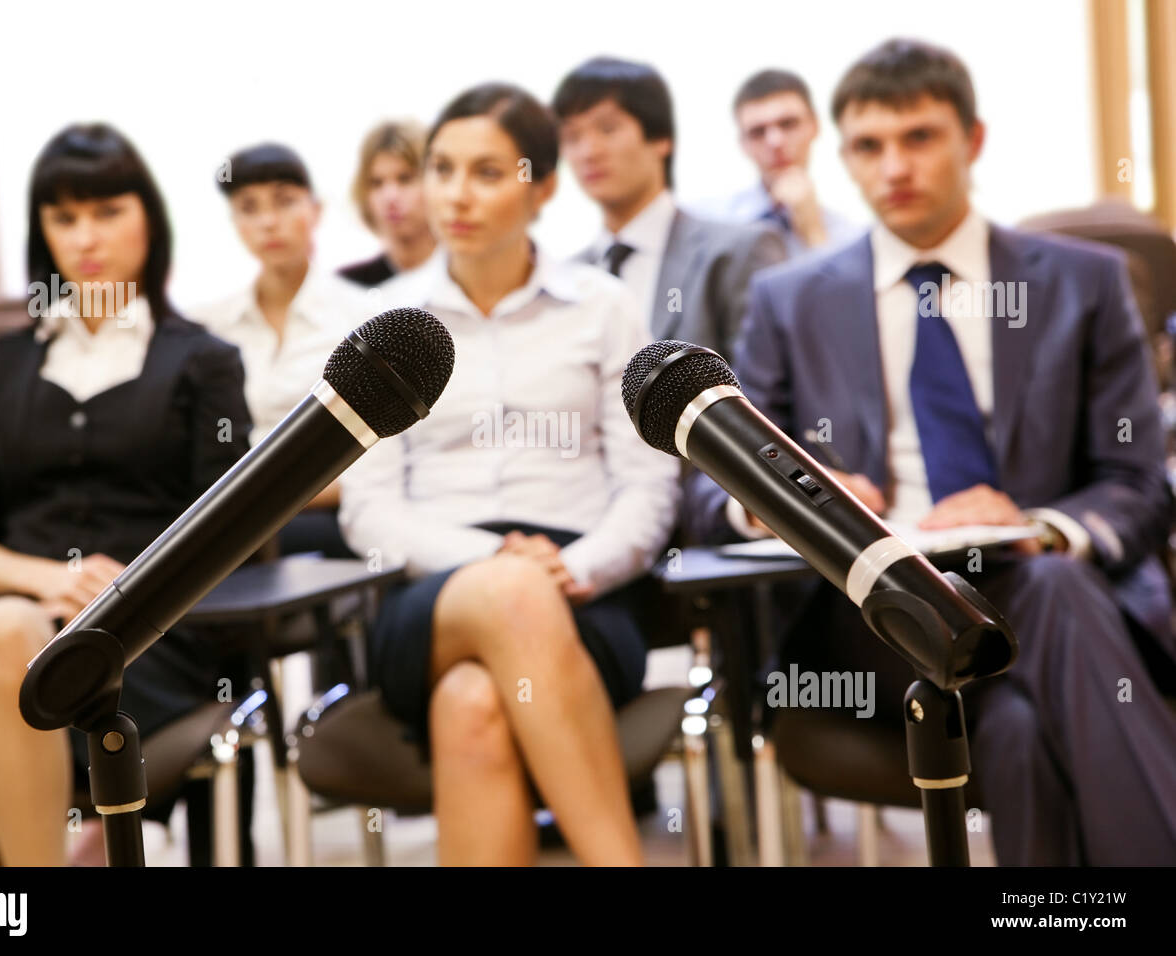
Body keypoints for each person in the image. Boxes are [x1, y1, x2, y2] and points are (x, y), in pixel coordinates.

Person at [688, 38, 1176, 865]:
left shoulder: (1082, 281)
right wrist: (790, 496)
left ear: (972, 141)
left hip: (1043, 587)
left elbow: (1137, 479)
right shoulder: (789, 300)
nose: (894, 167)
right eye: (870, 147)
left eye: (919, 138)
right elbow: (706, 493)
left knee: (1020, 715)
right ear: (844, 156)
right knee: (1042, 627)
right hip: (874, 615)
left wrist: (1042, 525)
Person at [339, 83, 680, 866]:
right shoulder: (385, 322)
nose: (455, 194)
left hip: (583, 593)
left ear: (544, 188)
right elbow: (369, 507)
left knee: (472, 704)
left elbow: (646, 486)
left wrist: (575, 565)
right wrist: (495, 565)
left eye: (488, 172)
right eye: (442, 168)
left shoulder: (605, 308)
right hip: (431, 595)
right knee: (506, 594)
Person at [0, 124, 253, 866]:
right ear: (42, 232)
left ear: (149, 220)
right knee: (3, 638)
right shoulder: (2, 364)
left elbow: (231, 530)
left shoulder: (202, 361)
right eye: (64, 218)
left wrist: (121, 592)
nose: (86, 237)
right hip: (10, 630)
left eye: (107, 211)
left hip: (144, 643)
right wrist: (45, 580)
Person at [552, 56, 785, 358]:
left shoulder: (735, 254)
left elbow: (766, 393)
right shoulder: (564, 279)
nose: (588, 151)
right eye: (571, 137)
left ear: (661, 138)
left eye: (607, 129)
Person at [196, 143, 360, 558]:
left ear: (316, 210)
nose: (268, 222)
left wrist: (265, 499)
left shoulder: (361, 318)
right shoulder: (208, 327)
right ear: (234, 223)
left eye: (284, 202)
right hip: (230, 517)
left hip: (332, 513)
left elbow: (380, 459)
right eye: (249, 208)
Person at [695, 68, 862, 256]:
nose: (775, 142)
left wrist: (814, 234)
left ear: (815, 126)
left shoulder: (851, 237)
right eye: (758, 132)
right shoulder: (706, 224)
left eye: (788, 124)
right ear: (743, 144)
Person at [338, 120, 436, 288]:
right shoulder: (348, 285)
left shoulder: (467, 276)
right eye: (376, 183)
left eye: (405, 179)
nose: (390, 197)